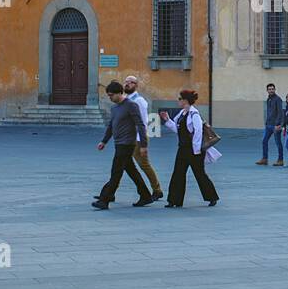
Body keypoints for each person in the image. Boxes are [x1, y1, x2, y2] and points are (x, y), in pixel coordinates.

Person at [93, 80, 152, 209]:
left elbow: (141, 125)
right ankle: (146, 195)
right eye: (108, 95)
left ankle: (105, 200)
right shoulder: (114, 108)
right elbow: (111, 126)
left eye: (111, 95)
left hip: (127, 144)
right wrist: (104, 141)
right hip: (118, 143)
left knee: (116, 172)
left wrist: (143, 145)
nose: (110, 98)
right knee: (131, 171)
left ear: (120, 93)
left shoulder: (131, 105)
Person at [159, 89, 219, 207]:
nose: (178, 101)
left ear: (186, 100)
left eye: (180, 99)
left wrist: (196, 150)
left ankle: (212, 197)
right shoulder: (182, 114)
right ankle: (174, 201)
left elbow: (198, 132)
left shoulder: (194, 114)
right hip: (182, 148)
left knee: (200, 174)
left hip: (194, 150)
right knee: (178, 173)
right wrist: (167, 120)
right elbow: (177, 129)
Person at [123, 75, 165, 203]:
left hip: (137, 138)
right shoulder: (126, 99)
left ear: (136, 85)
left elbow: (143, 122)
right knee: (121, 163)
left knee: (144, 165)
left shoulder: (139, 101)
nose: (127, 84)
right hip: (128, 137)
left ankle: (157, 190)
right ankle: (108, 192)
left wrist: (142, 142)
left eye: (130, 82)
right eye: (126, 82)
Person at [257, 83, 285, 166]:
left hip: (275, 125)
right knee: (264, 141)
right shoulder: (268, 99)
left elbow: (280, 112)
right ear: (267, 90)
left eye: (272, 89)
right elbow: (269, 112)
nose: (271, 90)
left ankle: (280, 160)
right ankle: (264, 159)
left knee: (278, 143)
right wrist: (266, 122)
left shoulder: (278, 99)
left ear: (275, 90)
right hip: (268, 125)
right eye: (269, 89)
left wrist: (278, 124)